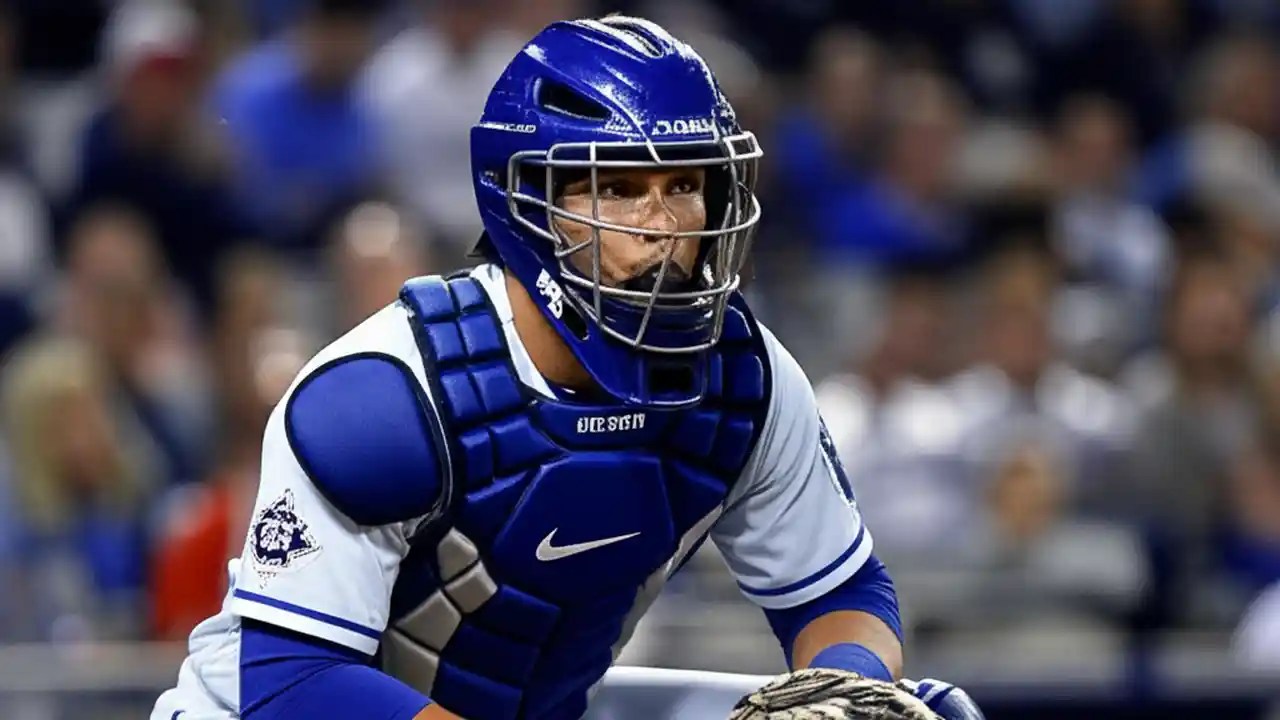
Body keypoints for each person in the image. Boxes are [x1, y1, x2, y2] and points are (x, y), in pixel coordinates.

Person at [152, 17, 982, 720]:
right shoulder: (385, 394)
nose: (661, 226)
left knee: (926, 711)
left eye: (685, 185)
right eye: (618, 188)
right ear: (525, 202)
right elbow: (292, 682)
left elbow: (839, 592)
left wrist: (851, 694)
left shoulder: (744, 378)